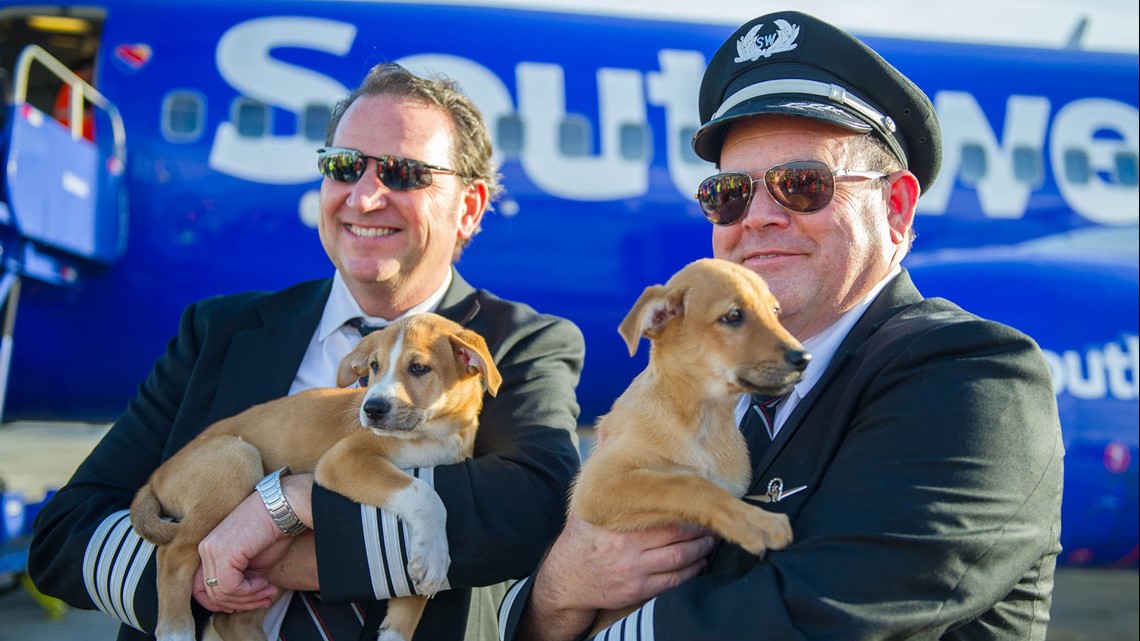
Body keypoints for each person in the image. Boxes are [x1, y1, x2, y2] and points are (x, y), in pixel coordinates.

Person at [498, 11, 1062, 641]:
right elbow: (585, 565)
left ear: (895, 208)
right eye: (730, 193)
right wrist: (555, 595)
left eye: (802, 185)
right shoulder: (707, 391)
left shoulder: (972, 378)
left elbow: (820, 616)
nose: (758, 217)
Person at [29, 62, 585, 641]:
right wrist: (202, 569)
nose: (366, 197)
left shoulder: (516, 343)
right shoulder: (216, 331)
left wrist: (287, 508)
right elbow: (67, 532)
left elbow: (535, 509)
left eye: (402, 173)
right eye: (343, 166)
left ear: (467, 207)